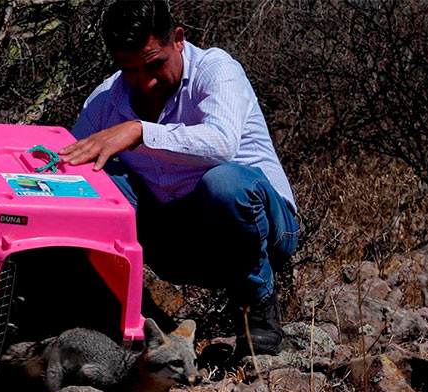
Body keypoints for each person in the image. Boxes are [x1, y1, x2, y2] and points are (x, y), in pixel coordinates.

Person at [60, 0, 299, 356]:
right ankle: (126, 321)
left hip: (262, 228)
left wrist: (140, 131)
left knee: (224, 183)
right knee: (97, 184)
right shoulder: (106, 101)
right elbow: (69, 161)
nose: (147, 81)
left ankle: (257, 313)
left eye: (156, 63)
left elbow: (222, 142)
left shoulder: (216, 70)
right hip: (178, 246)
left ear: (178, 40)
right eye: (131, 70)